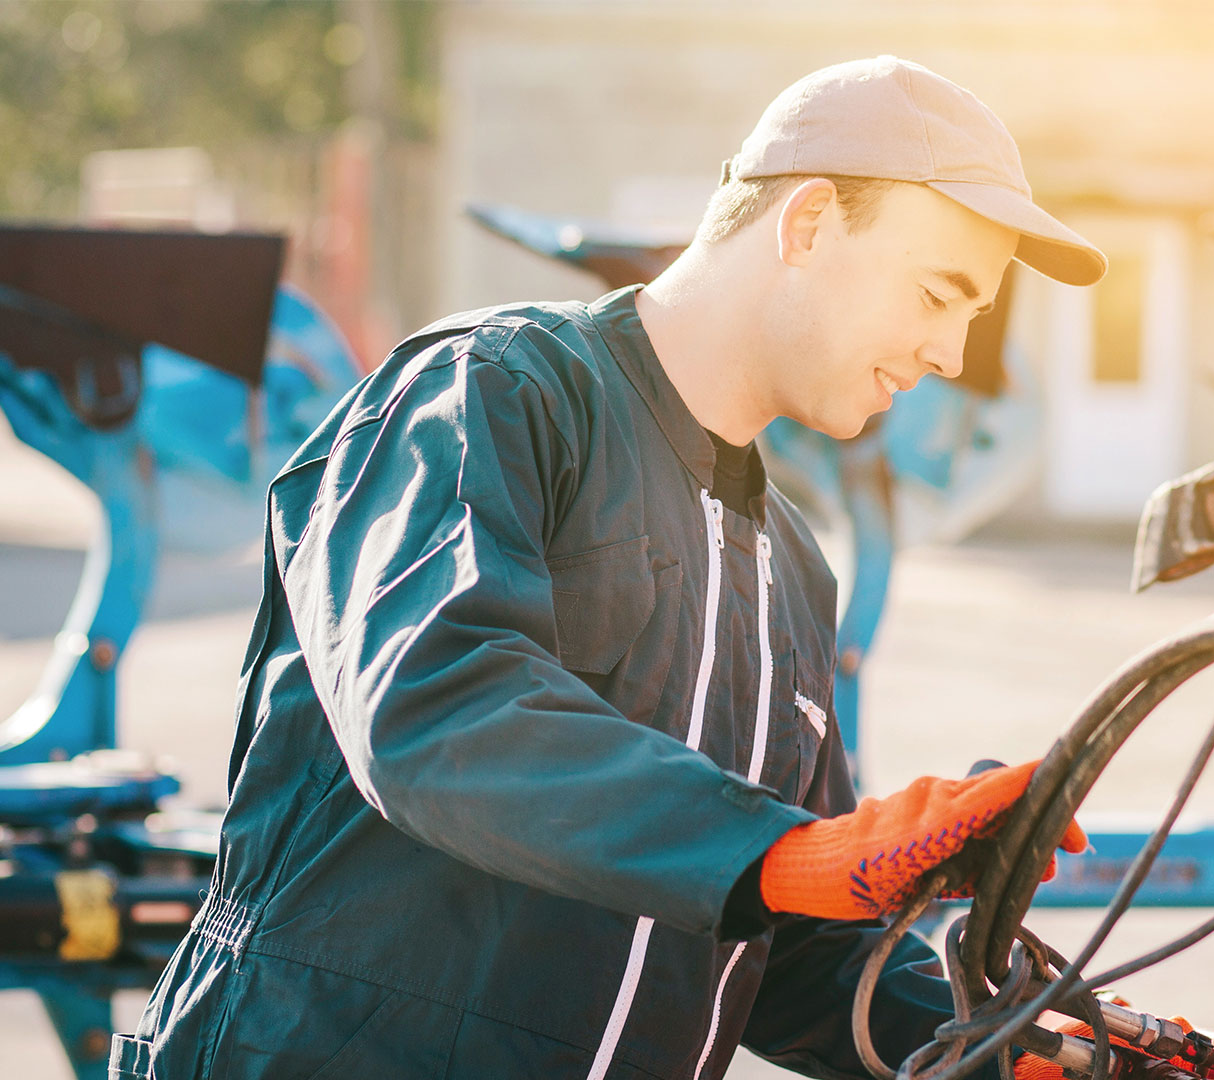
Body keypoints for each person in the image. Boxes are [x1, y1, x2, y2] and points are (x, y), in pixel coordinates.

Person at [111, 56, 1105, 1080]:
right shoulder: (489, 392)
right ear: (808, 223)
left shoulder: (793, 571)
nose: (950, 354)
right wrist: (790, 855)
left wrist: (1027, 1052)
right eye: (940, 295)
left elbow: (786, 948)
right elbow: (433, 704)